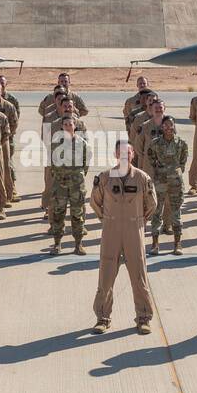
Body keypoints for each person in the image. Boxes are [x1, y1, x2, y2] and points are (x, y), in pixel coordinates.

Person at [90, 141, 158, 335]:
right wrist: (106, 218)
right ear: (114, 155)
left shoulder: (142, 178)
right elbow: (95, 202)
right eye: (120, 153)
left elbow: (151, 204)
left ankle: (143, 318)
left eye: (127, 153)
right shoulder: (104, 177)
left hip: (133, 231)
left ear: (132, 154)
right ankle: (103, 318)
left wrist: (138, 219)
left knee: (139, 276)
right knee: (106, 276)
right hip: (111, 231)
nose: (123, 157)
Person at [146, 116, 187, 255]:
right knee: (157, 211)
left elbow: (183, 161)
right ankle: (155, 244)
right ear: (162, 127)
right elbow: (150, 156)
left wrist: (176, 171)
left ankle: (177, 244)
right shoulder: (155, 143)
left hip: (176, 182)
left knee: (176, 212)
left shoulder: (181, 143)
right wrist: (159, 167)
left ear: (174, 126)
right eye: (166, 125)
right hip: (160, 182)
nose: (169, 128)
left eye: (171, 125)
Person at [48, 116, 89, 255]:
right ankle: (57, 244)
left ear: (75, 126)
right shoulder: (56, 144)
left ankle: (78, 244)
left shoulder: (82, 143)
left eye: (70, 124)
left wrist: (77, 175)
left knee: (77, 214)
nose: (67, 126)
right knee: (58, 214)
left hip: (77, 185)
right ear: (61, 127)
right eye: (65, 124)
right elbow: (52, 163)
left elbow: (85, 163)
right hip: (60, 184)